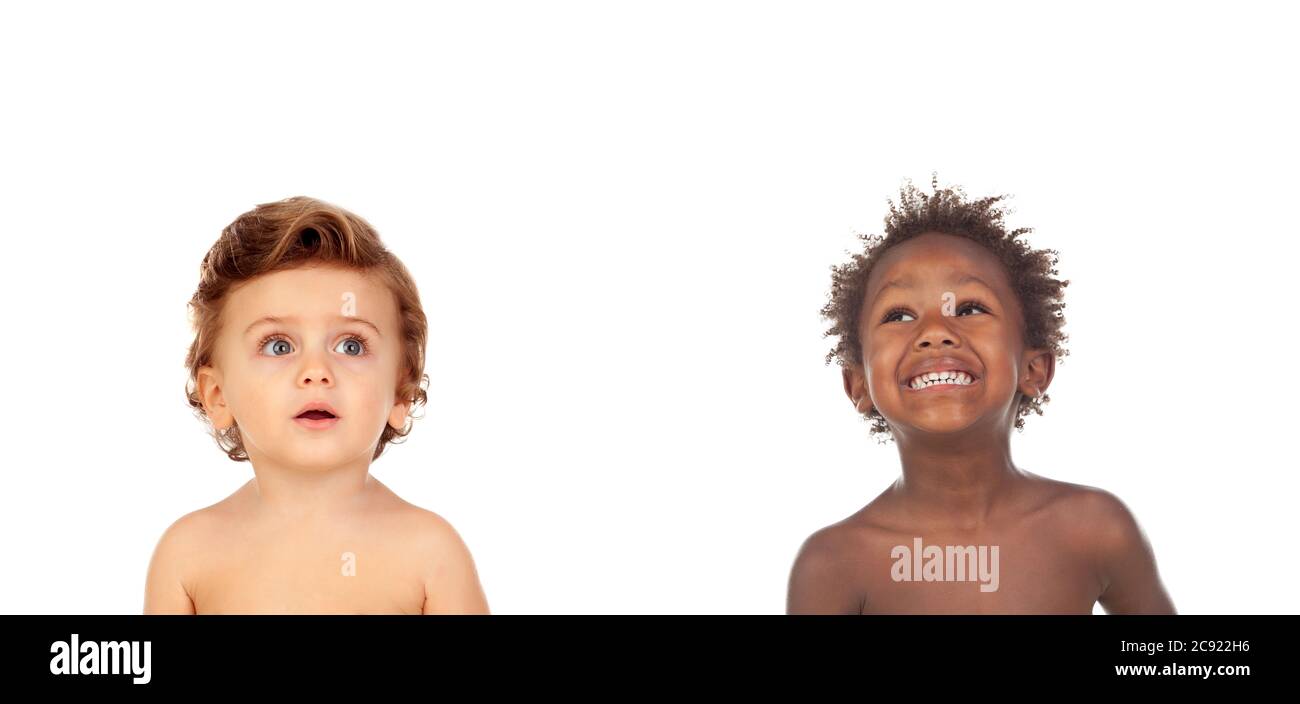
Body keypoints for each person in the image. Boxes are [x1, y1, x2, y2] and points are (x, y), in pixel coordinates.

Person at [787, 174, 1175, 614]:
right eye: (898, 314)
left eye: (969, 308)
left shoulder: (1095, 529)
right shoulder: (834, 564)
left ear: (1034, 369)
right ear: (858, 385)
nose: (935, 332)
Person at [144, 196, 489, 614]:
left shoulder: (432, 556)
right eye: (278, 345)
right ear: (217, 396)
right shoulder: (189, 555)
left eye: (351, 344)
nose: (316, 371)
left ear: (400, 394)